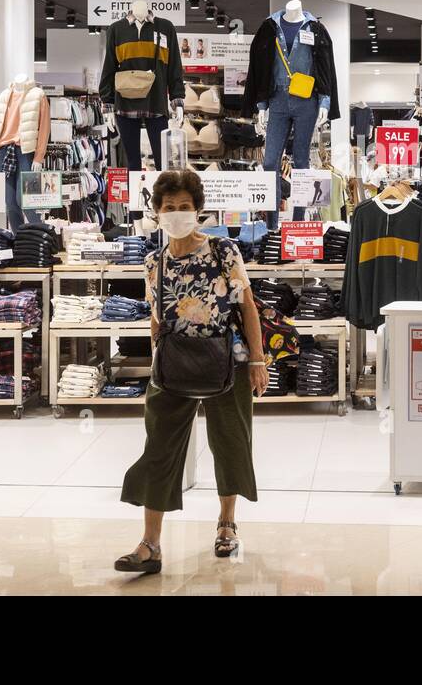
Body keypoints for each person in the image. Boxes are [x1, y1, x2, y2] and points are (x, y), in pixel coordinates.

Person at [116, 169, 268, 573]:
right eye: (170, 208)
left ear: (198, 211)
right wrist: (154, 361)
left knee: (230, 440)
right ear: (157, 213)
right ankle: (150, 544)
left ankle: (226, 525)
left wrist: (257, 359)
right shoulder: (154, 262)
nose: (178, 214)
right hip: (172, 364)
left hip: (228, 359)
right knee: (160, 447)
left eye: (185, 207)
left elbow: (247, 306)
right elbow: (154, 318)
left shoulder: (223, 251)